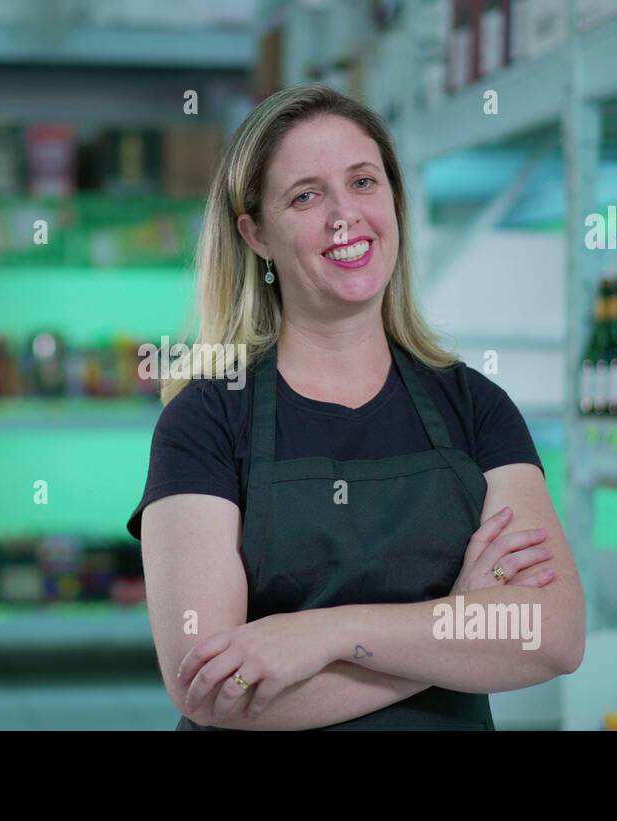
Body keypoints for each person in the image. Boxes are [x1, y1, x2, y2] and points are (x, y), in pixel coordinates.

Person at [127, 84, 585, 731]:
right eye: (306, 196)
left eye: (364, 181)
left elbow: (556, 633)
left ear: (394, 200)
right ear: (255, 233)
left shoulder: (476, 408)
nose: (345, 216)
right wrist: (455, 625)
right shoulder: (205, 419)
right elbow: (211, 688)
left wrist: (325, 633)